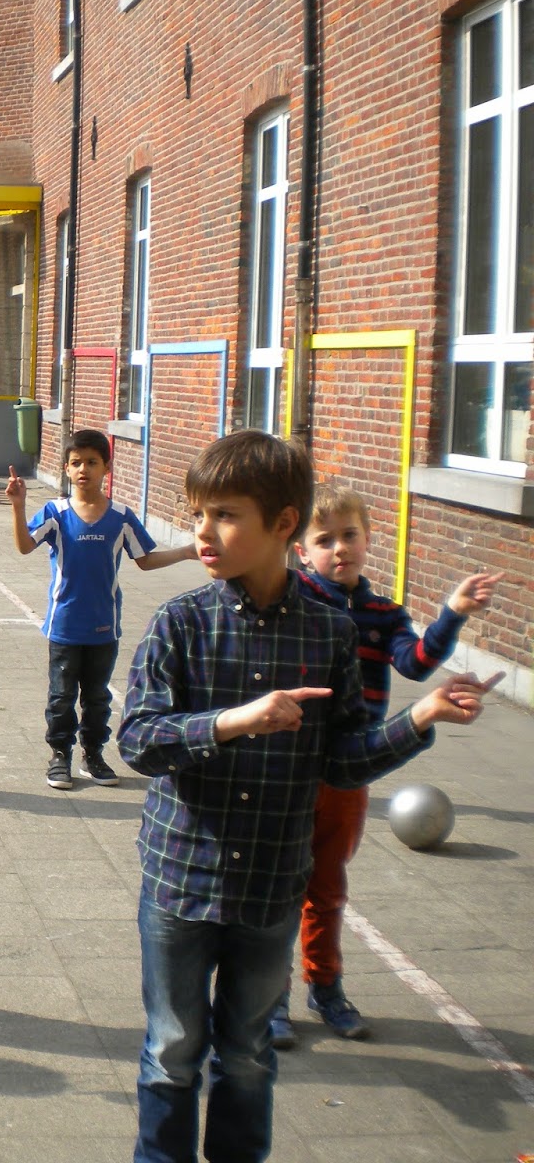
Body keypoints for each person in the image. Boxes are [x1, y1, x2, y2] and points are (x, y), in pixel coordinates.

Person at [117, 429, 501, 1163]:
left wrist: (419, 718)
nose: (203, 532)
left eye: (224, 515)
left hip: (270, 886)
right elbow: (137, 741)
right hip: (180, 882)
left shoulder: (330, 631)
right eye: (198, 514)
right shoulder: (182, 624)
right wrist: (234, 722)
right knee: (170, 1052)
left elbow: (346, 760)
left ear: (284, 525)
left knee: (249, 1055)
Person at [269, 483, 503, 1046]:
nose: (339, 549)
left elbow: (416, 664)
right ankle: (268, 996)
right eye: (324, 540)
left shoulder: (383, 613)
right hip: (288, 768)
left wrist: (451, 614)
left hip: (350, 768)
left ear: (370, 540)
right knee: (276, 888)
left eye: (350, 536)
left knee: (326, 887)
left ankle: (325, 987)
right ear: (302, 551)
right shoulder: (293, 597)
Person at [5, 430, 195, 790]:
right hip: (64, 625)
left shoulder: (121, 517)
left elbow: (145, 559)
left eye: (92, 462)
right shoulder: (56, 513)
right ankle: (59, 755)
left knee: (97, 697)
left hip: (104, 628)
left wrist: (185, 552)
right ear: (66, 468)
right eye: (76, 463)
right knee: (61, 697)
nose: (83, 469)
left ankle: (93, 754)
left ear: (107, 467)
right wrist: (18, 505)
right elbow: (24, 546)